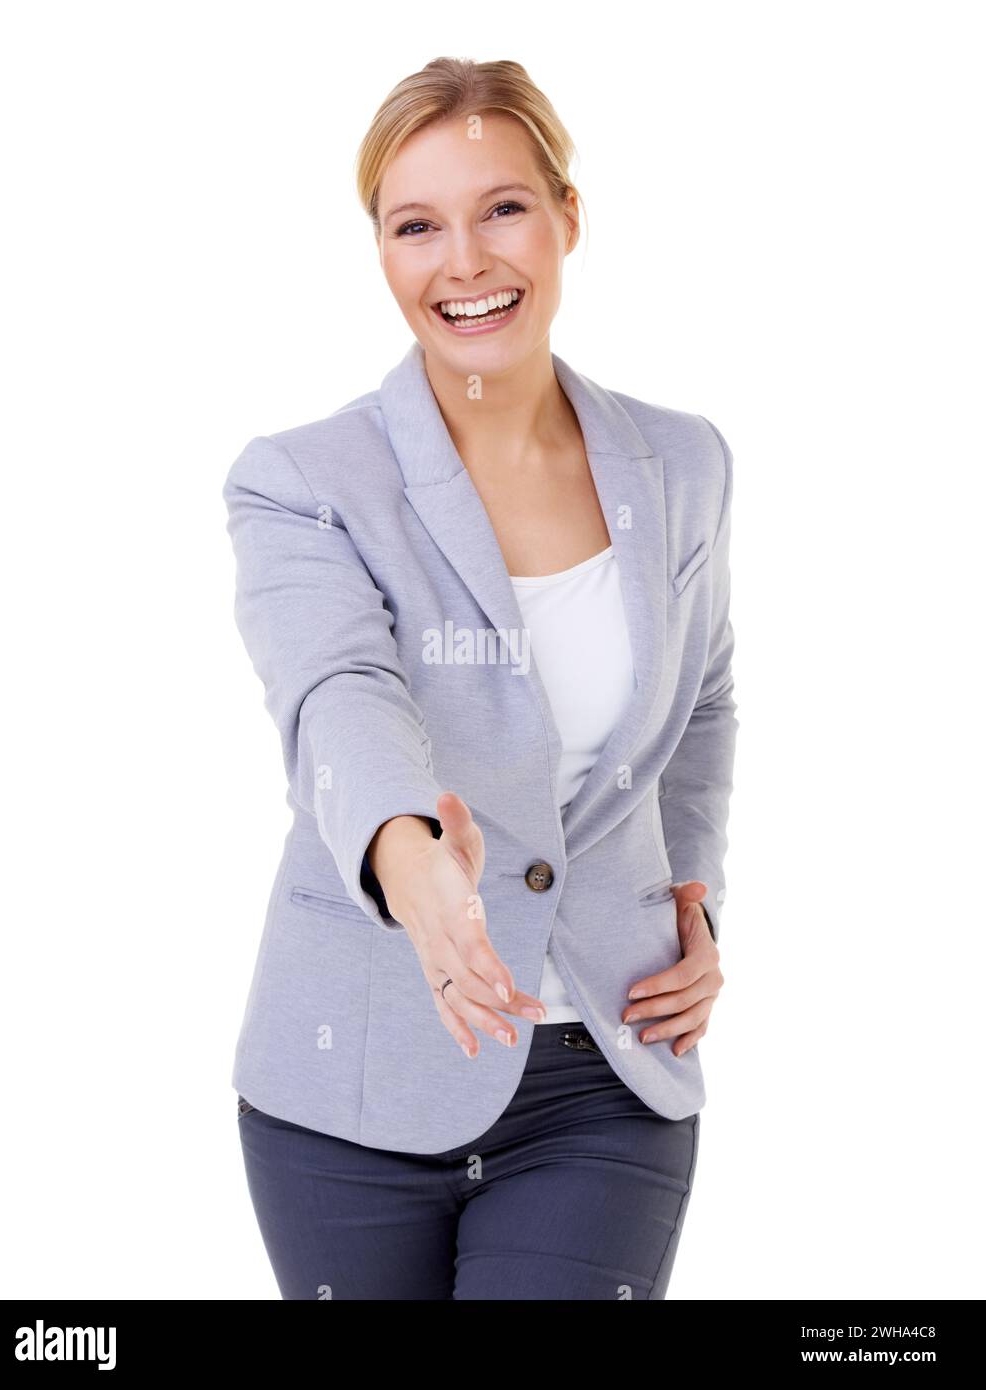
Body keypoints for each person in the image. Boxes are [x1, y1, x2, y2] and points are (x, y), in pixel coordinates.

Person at [223, 56, 738, 1300]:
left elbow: (705, 702)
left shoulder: (681, 464)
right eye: (416, 225)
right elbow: (339, 693)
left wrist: (697, 900)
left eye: (502, 208)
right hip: (351, 1090)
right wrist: (409, 860)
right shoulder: (302, 480)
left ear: (568, 215)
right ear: (382, 251)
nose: (464, 261)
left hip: (605, 1075)